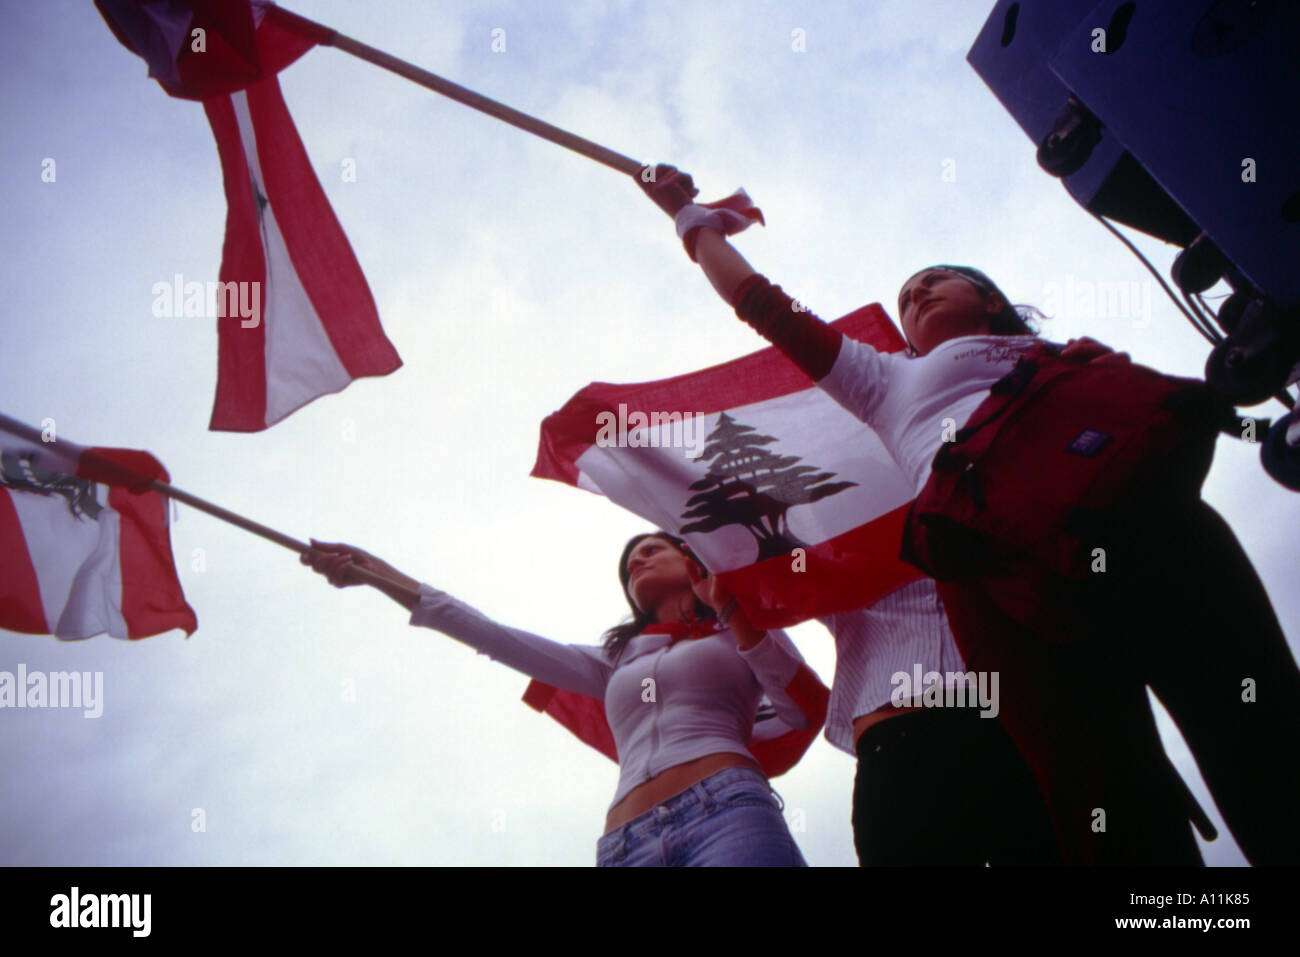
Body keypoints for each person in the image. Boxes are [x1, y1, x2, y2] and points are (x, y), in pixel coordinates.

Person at [640, 165, 1300, 866]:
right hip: (1004, 576)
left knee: (1262, 730)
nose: (918, 293)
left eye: (935, 280)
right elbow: (765, 306)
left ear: (987, 297)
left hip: (1147, 520)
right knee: (1113, 803)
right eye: (905, 298)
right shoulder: (886, 379)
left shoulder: (1068, 355)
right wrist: (690, 219)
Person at [300, 530, 820, 866]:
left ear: (692, 560)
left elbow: (800, 708)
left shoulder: (742, 626)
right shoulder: (616, 660)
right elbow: (491, 635)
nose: (636, 560)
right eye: (628, 563)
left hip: (726, 814)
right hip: (626, 845)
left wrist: (733, 610)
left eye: (651, 549)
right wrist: (376, 572)